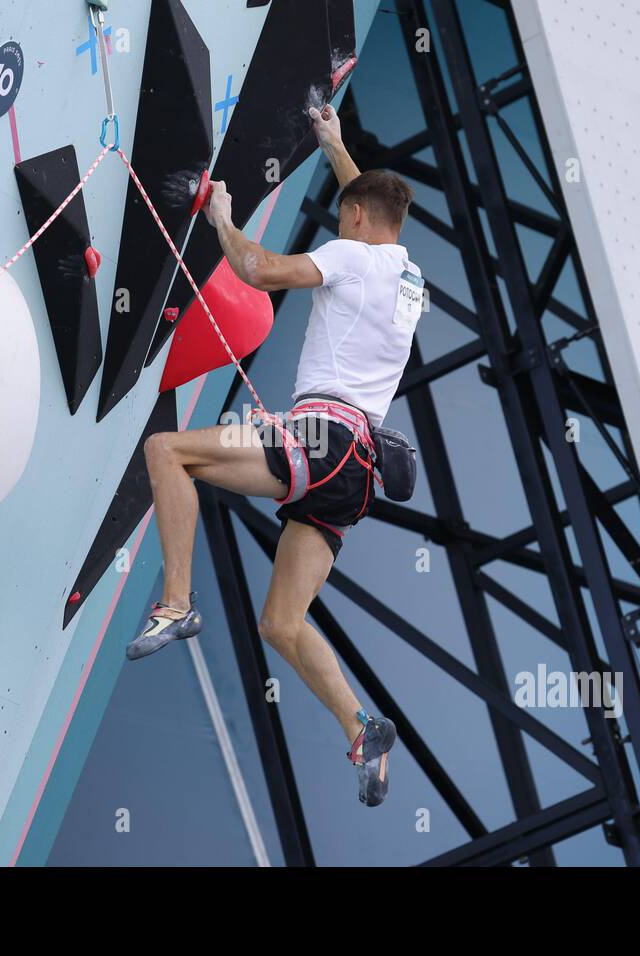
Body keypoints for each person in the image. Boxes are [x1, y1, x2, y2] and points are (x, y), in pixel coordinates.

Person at [126, 104, 422, 808]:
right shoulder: (409, 278)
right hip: (355, 479)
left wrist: (222, 217)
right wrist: (336, 145)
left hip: (324, 440)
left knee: (167, 452)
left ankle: (176, 603)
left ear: (353, 222)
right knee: (282, 623)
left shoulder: (351, 254)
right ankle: (361, 728)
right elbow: (369, 207)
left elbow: (257, 270)